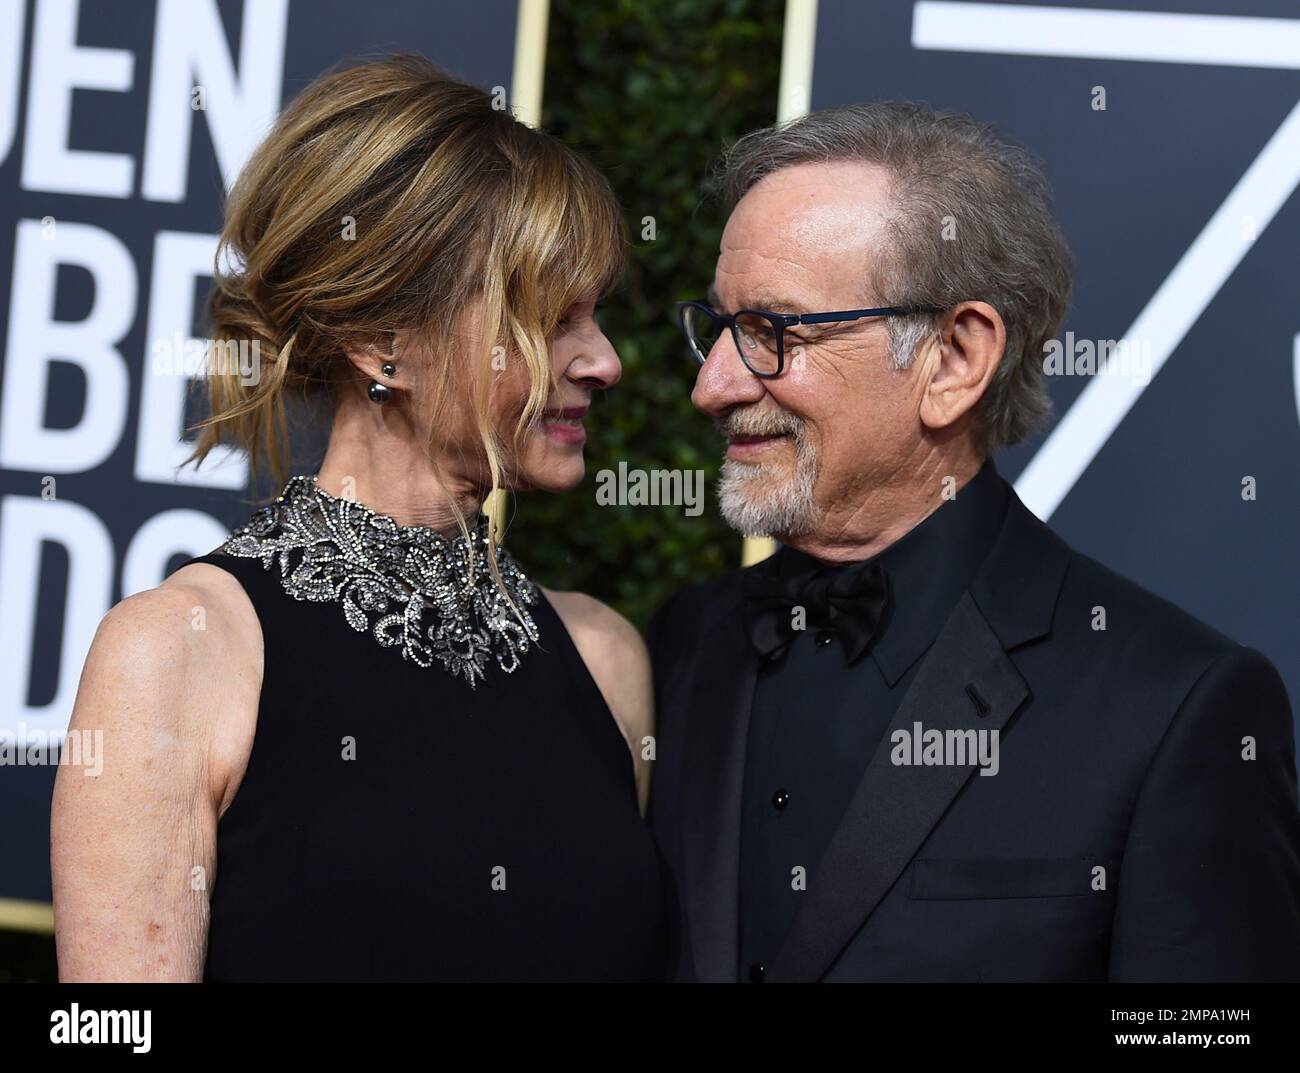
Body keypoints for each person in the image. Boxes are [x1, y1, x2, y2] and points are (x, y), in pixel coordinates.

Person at [649, 101, 1300, 982]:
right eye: (721, 329)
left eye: (773, 332)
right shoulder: (684, 641)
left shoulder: (1174, 706)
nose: (714, 386)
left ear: (955, 359)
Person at [51, 55, 665, 982]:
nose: (605, 361)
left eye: (596, 315)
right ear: (386, 344)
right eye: (551, 319)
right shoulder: (183, 652)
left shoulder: (603, 660)